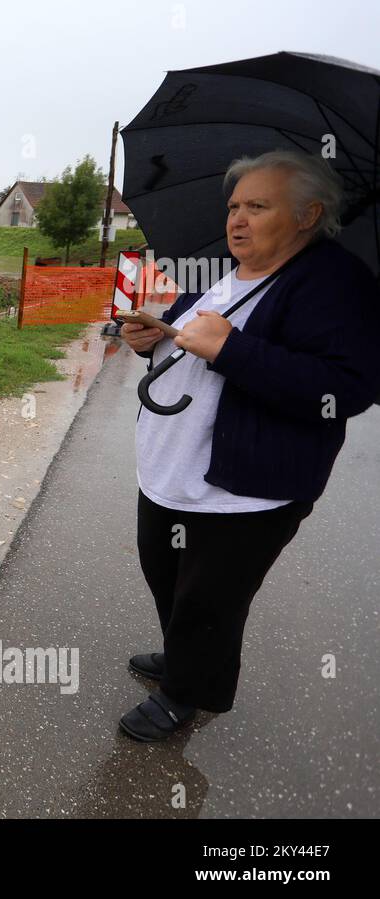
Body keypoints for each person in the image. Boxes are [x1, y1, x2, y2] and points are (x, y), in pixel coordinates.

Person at [118, 148, 380, 742]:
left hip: (245, 490)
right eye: (234, 205)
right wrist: (150, 338)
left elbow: (345, 389)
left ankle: (189, 691)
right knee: (167, 576)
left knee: (209, 601)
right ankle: (185, 655)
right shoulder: (228, 273)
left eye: (257, 206)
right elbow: (193, 333)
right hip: (170, 470)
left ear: (309, 214)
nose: (236, 219)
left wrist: (234, 350)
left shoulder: (335, 282)